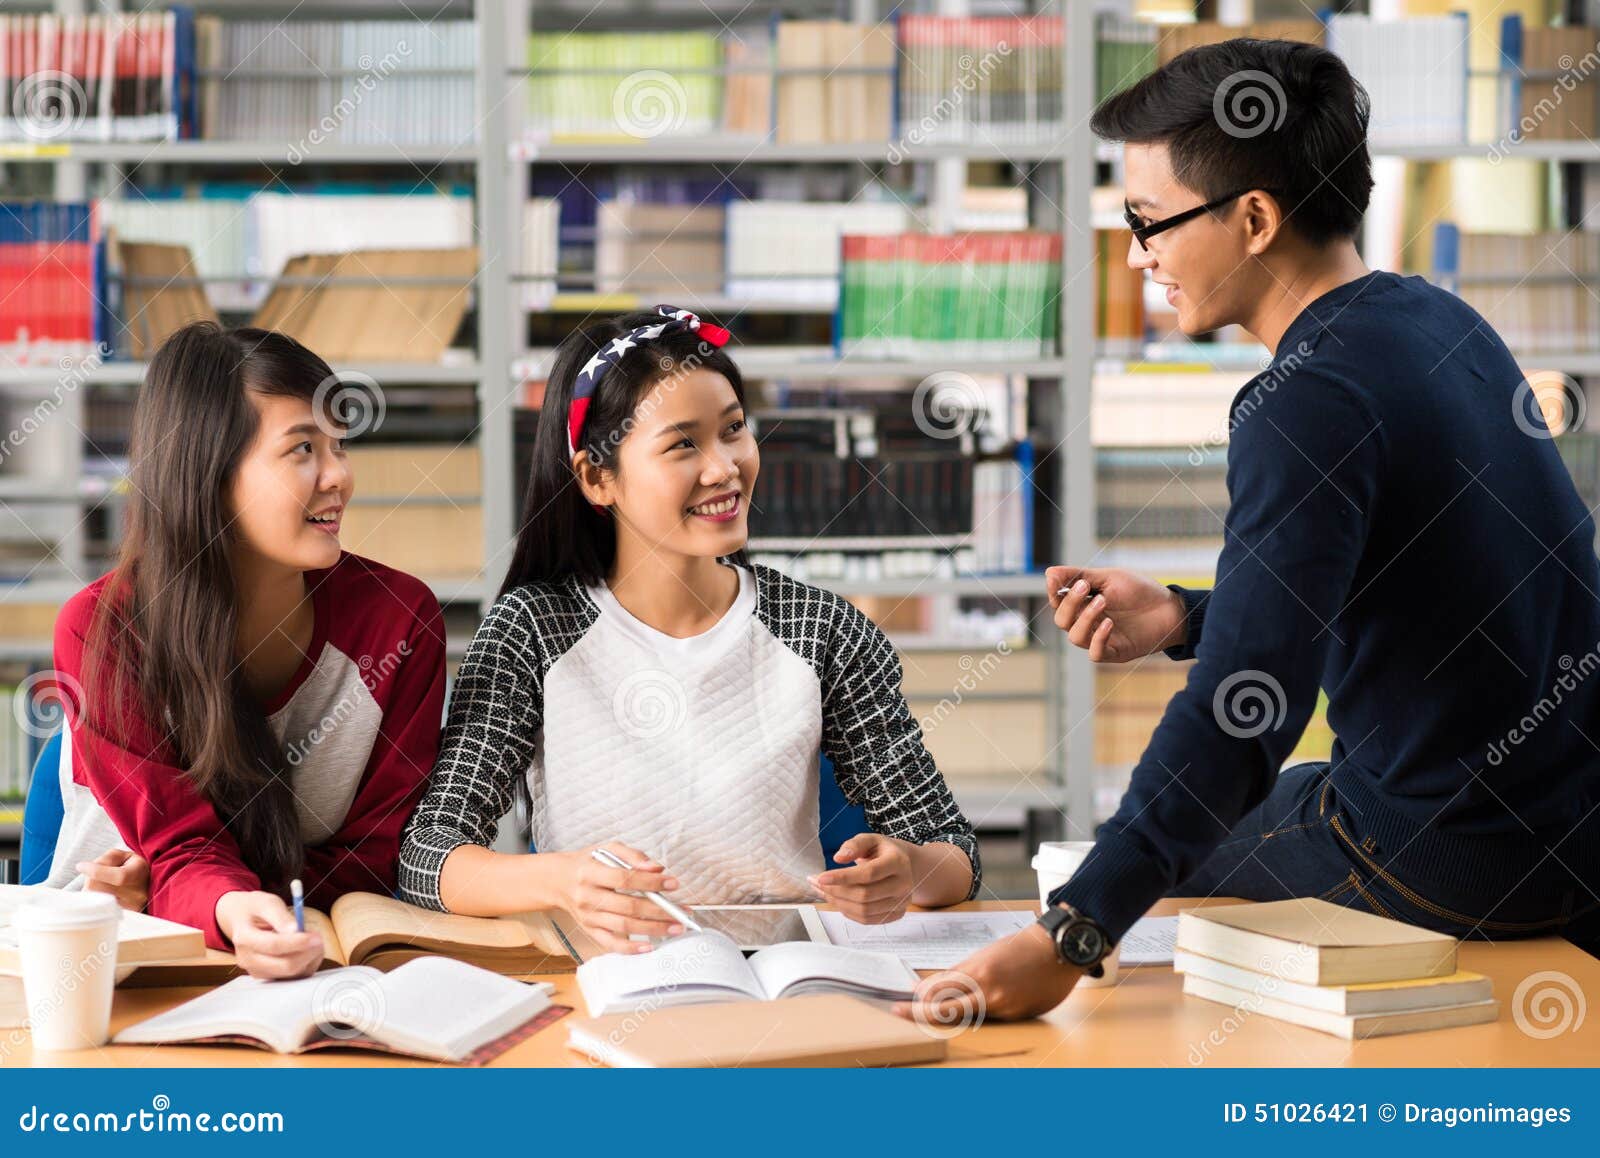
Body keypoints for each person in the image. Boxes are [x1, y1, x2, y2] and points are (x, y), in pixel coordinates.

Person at [900, 37, 1600, 1024]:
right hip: (1571, 836)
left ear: (1256, 220)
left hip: (1447, 867)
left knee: (1103, 870)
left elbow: (1248, 709)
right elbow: (1437, 584)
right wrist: (1186, 617)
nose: (1138, 256)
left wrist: (1068, 937)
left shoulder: (1301, 400)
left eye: (1147, 222)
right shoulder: (1438, 324)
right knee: (1201, 826)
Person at [398, 307, 980, 954]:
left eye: (734, 430)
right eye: (683, 444)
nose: (725, 467)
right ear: (597, 478)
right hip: (605, 993)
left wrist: (907, 870)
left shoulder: (825, 630)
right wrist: (562, 880)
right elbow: (429, 858)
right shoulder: (532, 631)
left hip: (785, 991)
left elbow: (953, 853)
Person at [51, 322, 446, 979]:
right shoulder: (102, 630)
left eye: (339, 446)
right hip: (114, 964)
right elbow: (178, 845)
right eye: (302, 450)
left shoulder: (400, 623)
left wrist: (191, 891)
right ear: (209, 473)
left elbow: (374, 857)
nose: (339, 477)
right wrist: (214, 900)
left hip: (309, 964)